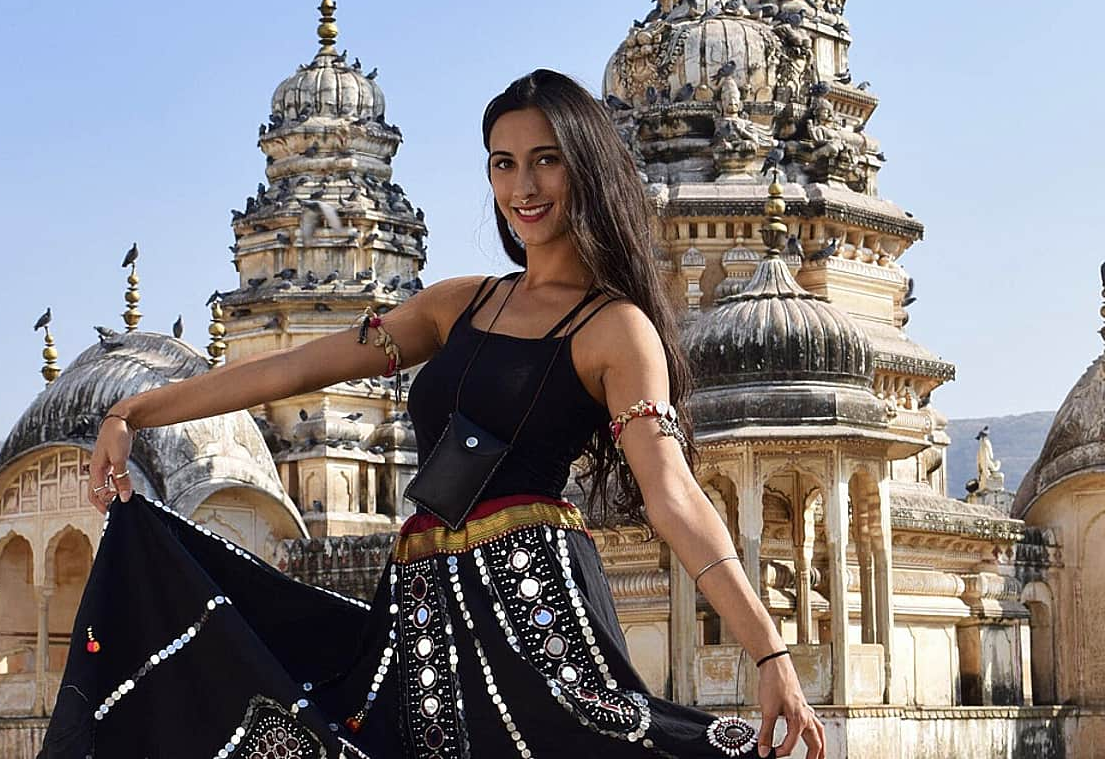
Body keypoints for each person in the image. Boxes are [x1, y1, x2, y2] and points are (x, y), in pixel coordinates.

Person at [40, 69, 824, 759]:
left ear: (586, 168)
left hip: (532, 609)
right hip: (416, 607)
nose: (525, 186)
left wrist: (768, 653)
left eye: (547, 159)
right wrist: (137, 408)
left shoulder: (614, 328)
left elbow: (674, 495)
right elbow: (293, 366)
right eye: (504, 163)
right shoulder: (459, 304)